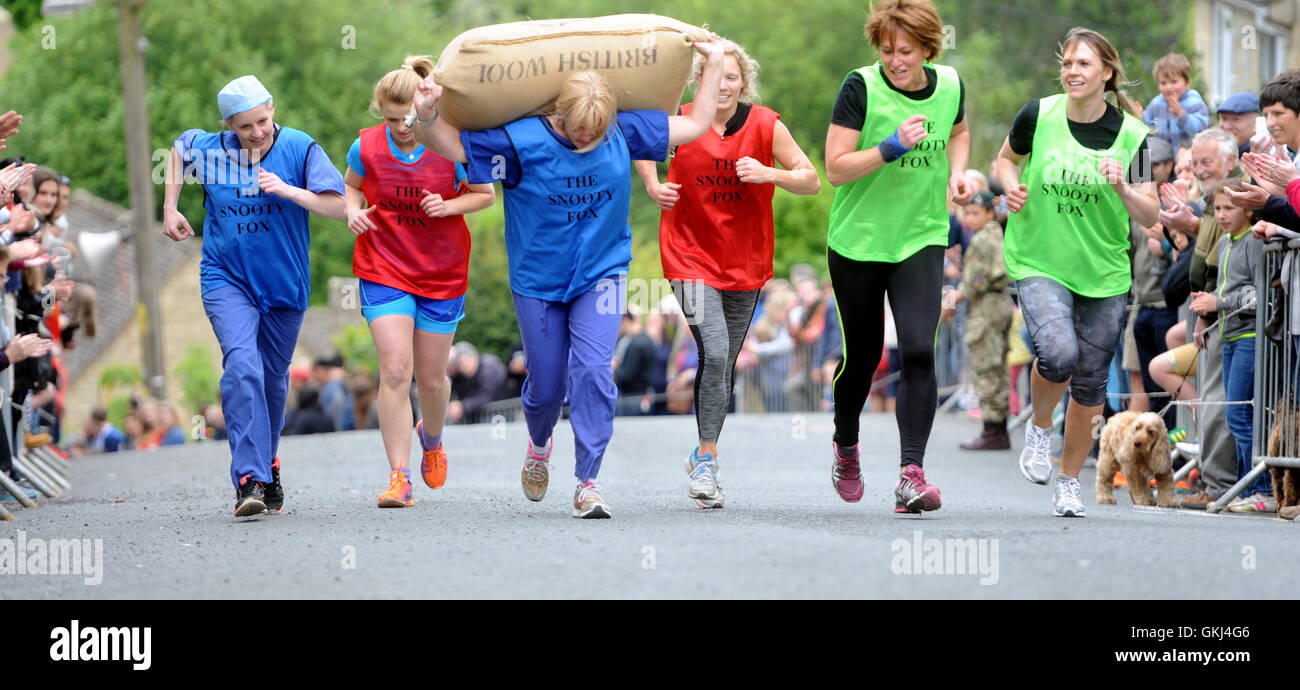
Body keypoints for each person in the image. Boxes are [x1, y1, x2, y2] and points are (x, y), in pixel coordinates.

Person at [410, 38, 726, 518]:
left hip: (602, 272)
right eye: (579, 130)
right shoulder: (523, 141)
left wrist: (716, 61)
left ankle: (588, 482)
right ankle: (539, 446)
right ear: (560, 115)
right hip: (538, 279)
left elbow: (698, 122)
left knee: (595, 372)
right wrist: (428, 115)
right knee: (547, 385)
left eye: (596, 133)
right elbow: (453, 146)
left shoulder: (624, 128)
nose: (587, 139)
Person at [634, 37, 820, 508]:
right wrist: (654, 183)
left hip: (746, 262)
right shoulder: (681, 117)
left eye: (733, 77)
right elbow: (638, 139)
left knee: (725, 361)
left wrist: (769, 173)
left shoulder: (764, 123)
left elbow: (811, 178)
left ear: (743, 83)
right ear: (702, 80)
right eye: (716, 76)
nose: (724, 85)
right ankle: (708, 464)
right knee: (714, 351)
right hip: (688, 256)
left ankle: (701, 449)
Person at [162, 75, 346, 517]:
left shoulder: (300, 147)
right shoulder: (208, 148)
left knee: (272, 380)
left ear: (273, 109)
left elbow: (340, 207)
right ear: (229, 125)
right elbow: (177, 150)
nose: (257, 132)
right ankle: (250, 478)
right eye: (245, 127)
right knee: (242, 364)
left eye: (262, 121)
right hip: (226, 277)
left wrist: (286, 190)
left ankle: (268, 462)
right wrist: (170, 205)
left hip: (284, 282)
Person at [995, 27, 1158, 518]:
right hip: (1040, 259)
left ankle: (1069, 483)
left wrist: (1125, 191)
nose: (1072, 71)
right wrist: (1010, 188)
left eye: (1083, 64)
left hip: (1104, 272)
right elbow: (1005, 160)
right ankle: (1039, 427)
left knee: (1090, 383)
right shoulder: (1038, 114)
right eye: (1067, 62)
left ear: (1106, 72)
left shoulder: (1135, 136)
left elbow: (1150, 214)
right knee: (1059, 350)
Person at [823, 0, 972, 514]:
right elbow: (836, 169)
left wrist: (958, 172)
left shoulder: (950, 84)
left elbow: (958, 132)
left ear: (929, 48)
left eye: (906, 51)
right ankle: (846, 444)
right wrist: (889, 147)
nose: (895, 60)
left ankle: (911, 474)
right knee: (863, 358)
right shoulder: (860, 86)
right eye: (887, 50)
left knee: (917, 348)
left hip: (921, 236)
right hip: (859, 241)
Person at [344, 57, 495, 509]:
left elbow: (485, 195)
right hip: (384, 266)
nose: (401, 128)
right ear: (380, 113)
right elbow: (351, 185)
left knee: (430, 380)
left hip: (441, 273)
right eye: (391, 119)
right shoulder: (366, 147)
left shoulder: (450, 144)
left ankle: (432, 437)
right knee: (394, 370)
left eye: (408, 118)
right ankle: (399, 477)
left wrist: (447, 207)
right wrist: (353, 210)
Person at [1190, 180, 1273, 512]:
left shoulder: (1254, 242)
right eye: (1218, 209)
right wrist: (1208, 315)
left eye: (1229, 209)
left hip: (1251, 337)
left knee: (1240, 413)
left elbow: (1258, 294)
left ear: (1248, 210)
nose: (1222, 216)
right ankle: (1247, 485)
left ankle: (1262, 488)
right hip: (1228, 336)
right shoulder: (1224, 243)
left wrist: (1218, 302)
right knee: (1234, 413)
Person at [946, 190, 1012, 450]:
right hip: (995, 303)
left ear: (989, 213)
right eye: (968, 213)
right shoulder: (990, 235)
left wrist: (950, 302)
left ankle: (992, 429)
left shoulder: (985, 239)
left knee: (986, 365)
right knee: (994, 365)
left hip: (988, 305)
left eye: (976, 213)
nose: (970, 218)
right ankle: (996, 428)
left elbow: (975, 280)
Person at [1143, 53, 1209, 151]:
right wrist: (1139, 117)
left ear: (1187, 83)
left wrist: (1180, 113)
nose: (1168, 87)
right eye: (1163, 83)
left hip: (1187, 159)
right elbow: (1148, 127)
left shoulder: (1195, 103)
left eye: (1174, 82)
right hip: (1162, 161)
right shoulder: (1156, 104)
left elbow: (1199, 131)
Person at [1216, 92, 1260, 159]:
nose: (1227, 126)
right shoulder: (1213, 152)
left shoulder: (1268, 157)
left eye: (1236, 119)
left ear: (1257, 123)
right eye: (1224, 118)